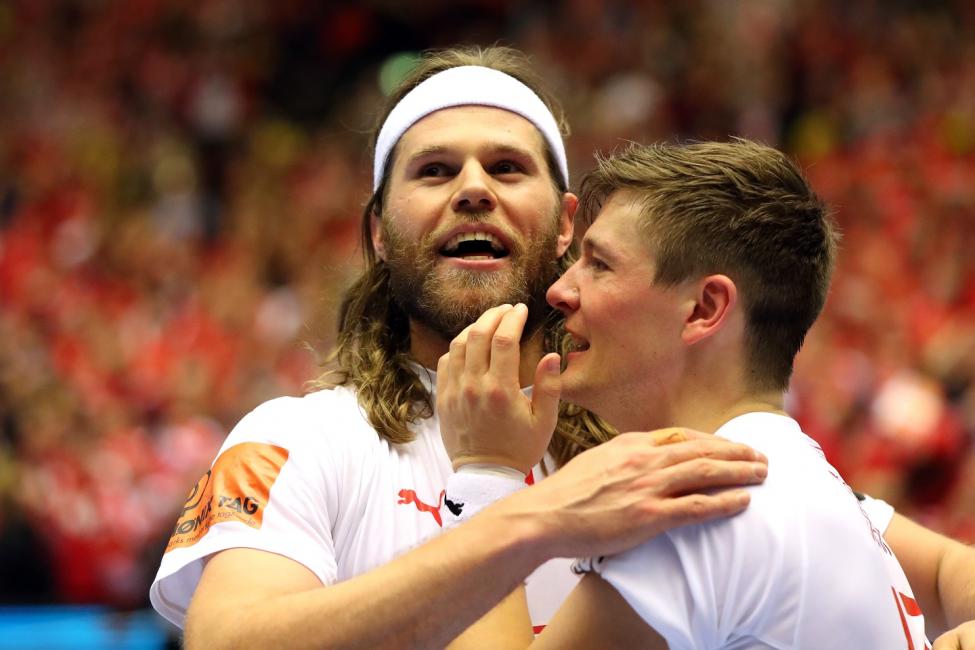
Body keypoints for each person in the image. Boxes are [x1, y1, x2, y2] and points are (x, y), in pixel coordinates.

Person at [148, 45, 975, 647]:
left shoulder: (655, 433)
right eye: (433, 171)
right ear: (377, 232)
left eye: (508, 168)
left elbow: (933, 571)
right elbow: (227, 642)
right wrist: (527, 515)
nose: (473, 189)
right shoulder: (301, 438)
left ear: (566, 229)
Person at [435, 139, 971, 648]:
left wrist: (487, 475)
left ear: (704, 309)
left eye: (599, 264)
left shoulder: (707, 505)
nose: (560, 290)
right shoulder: (786, 474)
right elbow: (950, 568)